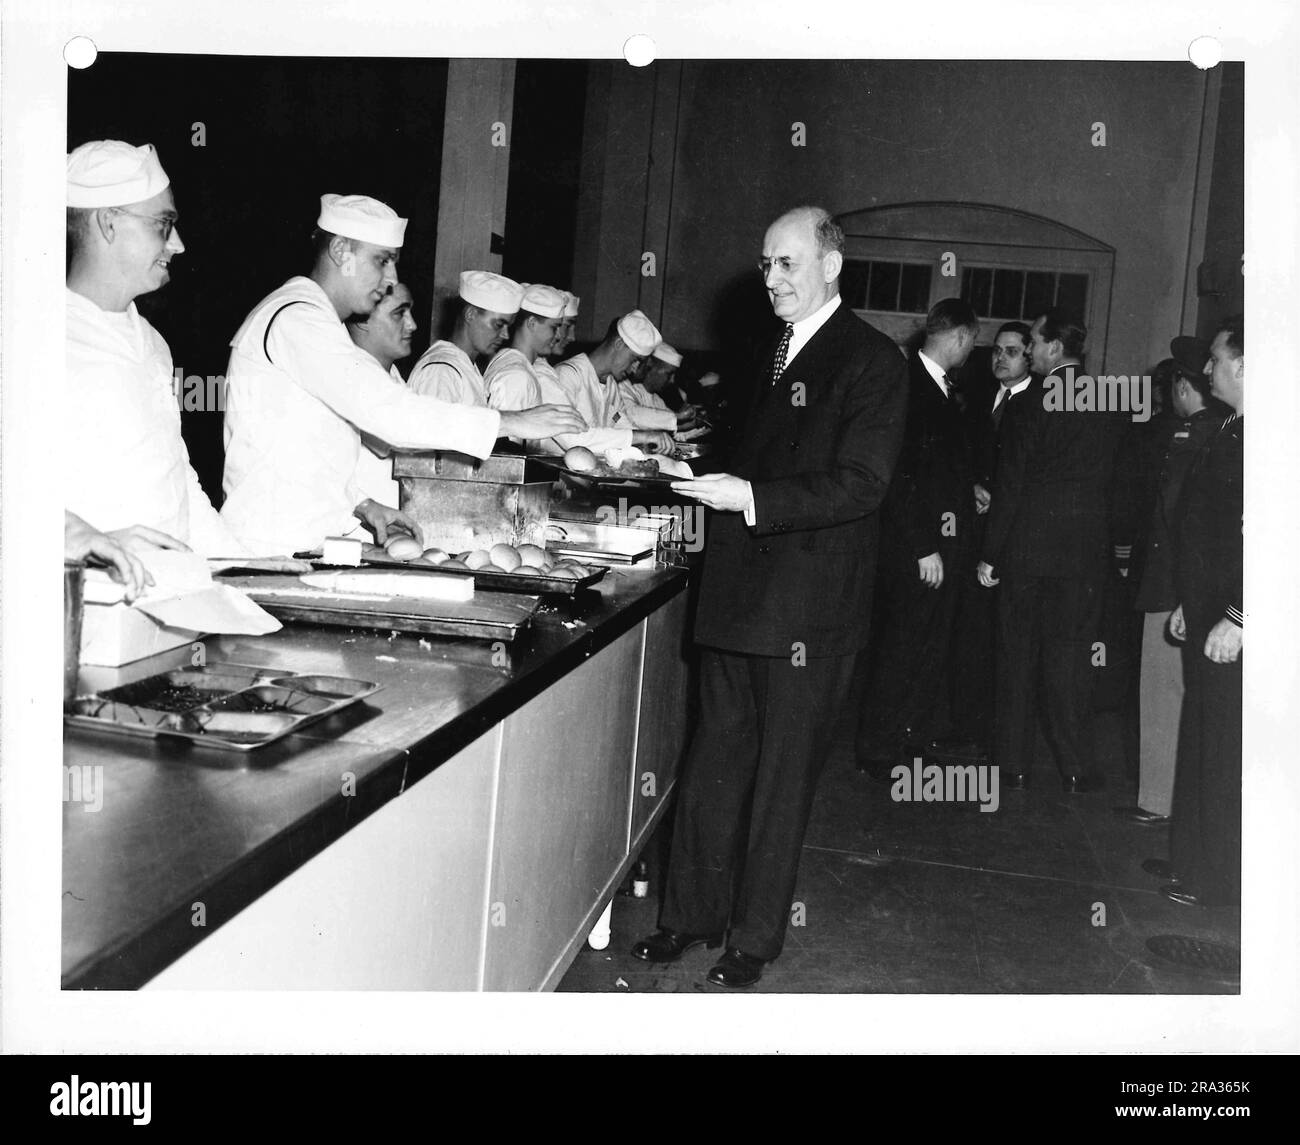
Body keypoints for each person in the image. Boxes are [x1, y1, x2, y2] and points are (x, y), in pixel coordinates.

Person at [631, 206, 907, 987]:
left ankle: (752, 939)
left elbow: (863, 483)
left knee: (782, 779)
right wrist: (689, 456)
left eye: (787, 263)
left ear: (831, 265)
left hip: (807, 609)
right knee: (714, 762)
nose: (772, 278)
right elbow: (752, 451)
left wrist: (748, 495)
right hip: (736, 594)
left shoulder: (872, 361)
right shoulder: (767, 351)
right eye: (765, 264)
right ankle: (688, 916)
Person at [220, 198, 585, 555]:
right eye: (382, 261)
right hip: (272, 548)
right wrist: (512, 421)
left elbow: (305, 450)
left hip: (306, 542)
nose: (391, 277)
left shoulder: (316, 321)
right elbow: (387, 413)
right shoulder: (296, 318)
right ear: (340, 251)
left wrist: (361, 504)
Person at [64, 139, 252, 559]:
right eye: (163, 225)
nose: (178, 244)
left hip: (167, 595)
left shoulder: (152, 343)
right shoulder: (37, 338)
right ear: (109, 222)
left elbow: (176, 479)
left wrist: (243, 567)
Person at [977, 308, 1123, 792]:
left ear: (1055, 347)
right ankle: (1077, 767)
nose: (1033, 351)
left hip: (1028, 554)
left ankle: (1012, 766)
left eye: (1036, 343)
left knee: (1016, 658)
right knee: (1072, 661)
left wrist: (991, 554)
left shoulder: (1029, 405)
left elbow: (1012, 486)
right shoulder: (1108, 400)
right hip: (1083, 557)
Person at [854, 298, 979, 776]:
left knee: (922, 644)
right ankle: (881, 748)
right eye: (972, 343)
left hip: (936, 542)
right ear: (962, 337)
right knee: (902, 646)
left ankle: (905, 738)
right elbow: (900, 476)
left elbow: (935, 469)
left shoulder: (938, 387)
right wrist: (922, 546)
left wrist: (970, 491)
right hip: (918, 547)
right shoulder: (910, 387)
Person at [1111, 340, 1223, 827]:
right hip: (1180, 586)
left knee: (1162, 696)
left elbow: (1177, 521)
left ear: (1182, 385)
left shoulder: (1190, 438)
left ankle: (1159, 801)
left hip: (1172, 587)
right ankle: (1163, 800)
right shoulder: (1210, 432)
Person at [1161, 315, 1243, 908]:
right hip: (1209, 608)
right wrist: (1195, 603)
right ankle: (1193, 863)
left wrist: (1238, 617)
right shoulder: (1233, 427)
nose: (1208, 368)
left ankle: (1220, 880)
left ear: (1247, 364)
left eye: (1217, 358)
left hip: (1233, 621)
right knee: (1204, 738)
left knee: (1225, 750)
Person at [549, 311, 675, 455]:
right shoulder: (568, 375)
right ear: (619, 344)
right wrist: (642, 436)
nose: (634, 369)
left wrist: (646, 442)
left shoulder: (611, 386)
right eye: (635, 360)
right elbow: (571, 438)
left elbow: (620, 422)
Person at [346, 282, 418, 508]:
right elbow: (388, 438)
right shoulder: (349, 376)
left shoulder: (395, 378)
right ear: (362, 320)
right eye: (399, 314)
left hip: (394, 527)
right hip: (354, 534)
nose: (412, 325)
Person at [408, 271, 523, 405]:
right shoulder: (442, 371)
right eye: (499, 325)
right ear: (470, 314)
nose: (505, 334)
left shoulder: (465, 367)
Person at [483, 283, 569, 418]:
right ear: (532, 323)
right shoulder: (517, 376)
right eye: (554, 327)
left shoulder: (517, 365)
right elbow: (507, 437)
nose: (558, 336)